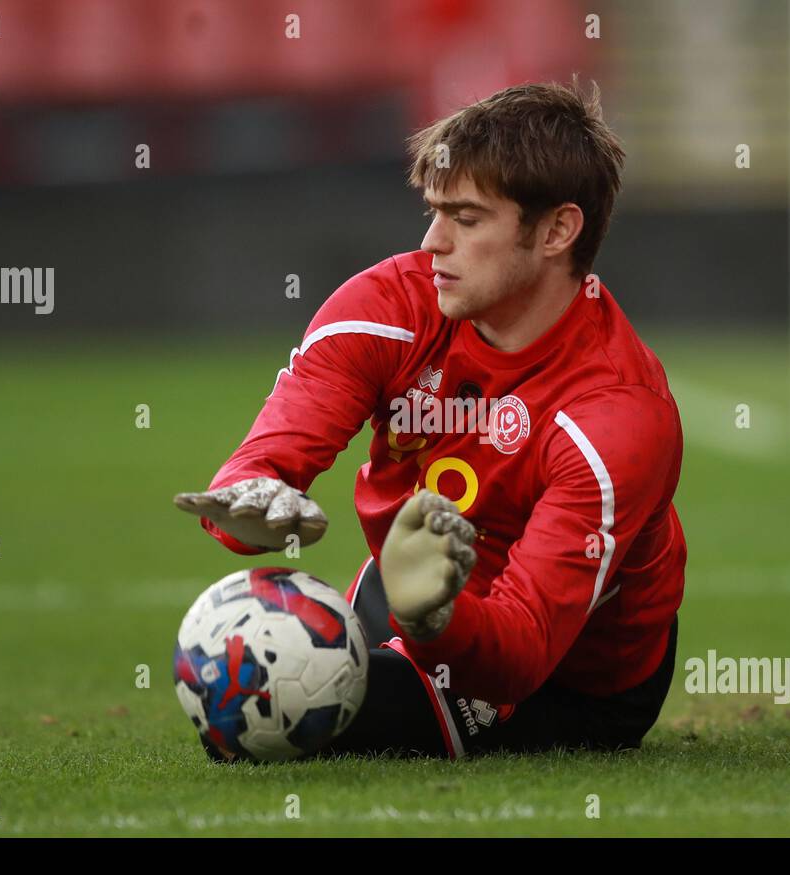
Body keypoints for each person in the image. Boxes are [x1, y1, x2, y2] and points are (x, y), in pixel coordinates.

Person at [175, 79, 686, 759]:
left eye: (466, 219)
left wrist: (433, 617)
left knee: (262, 704)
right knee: (247, 661)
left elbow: (522, 650)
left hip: (570, 676)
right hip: (403, 591)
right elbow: (277, 448)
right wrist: (249, 494)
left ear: (558, 231)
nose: (432, 242)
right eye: (434, 211)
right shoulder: (385, 310)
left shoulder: (617, 417)